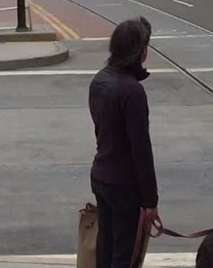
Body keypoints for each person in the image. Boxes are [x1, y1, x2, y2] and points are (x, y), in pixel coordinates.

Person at [89, 16, 158, 268]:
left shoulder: (100, 79)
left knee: (105, 249)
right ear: (139, 51)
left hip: (101, 175)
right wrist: (150, 201)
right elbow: (141, 149)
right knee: (125, 256)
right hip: (124, 185)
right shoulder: (132, 91)